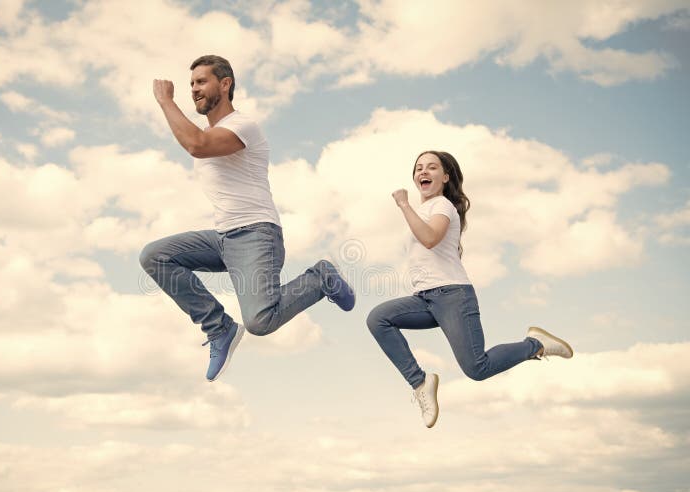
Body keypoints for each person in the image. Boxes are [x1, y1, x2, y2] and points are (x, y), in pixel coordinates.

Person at [140, 55, 355, 382]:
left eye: (201, 81)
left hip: (257, 235)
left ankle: (320, 277)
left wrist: (165, 100)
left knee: (260, 322)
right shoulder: (207, 131)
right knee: (155, 256)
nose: (194, 90)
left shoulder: (243, 125)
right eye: (191, 84)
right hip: (224, 237)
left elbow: (196, 145)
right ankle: (219, 327)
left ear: (225, 84)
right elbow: (195, 140)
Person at [366, 150, 573, 428]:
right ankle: (420, 382)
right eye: (418, 168)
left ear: (446, 177)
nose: (423, 172)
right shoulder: (424, 210)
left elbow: (429, 238)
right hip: (425, 300)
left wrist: (404, 204)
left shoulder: (443, 206)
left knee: (477, 368)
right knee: (378, 318)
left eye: (431, 168)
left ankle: (536, 345)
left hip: (453, 296)